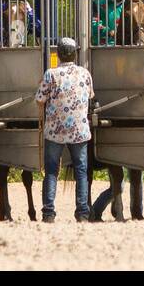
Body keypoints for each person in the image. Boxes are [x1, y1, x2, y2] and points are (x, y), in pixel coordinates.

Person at [34, 36, 93, 223]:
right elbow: (89, 96)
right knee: (81, 170)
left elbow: (39, 99)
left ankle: (48, 212)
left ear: (58, 54)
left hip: (54, 129)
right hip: (79, 129)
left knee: (51, 171)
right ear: (75, 53)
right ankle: (82, 211)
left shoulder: (50, 74)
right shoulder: (85, 73)